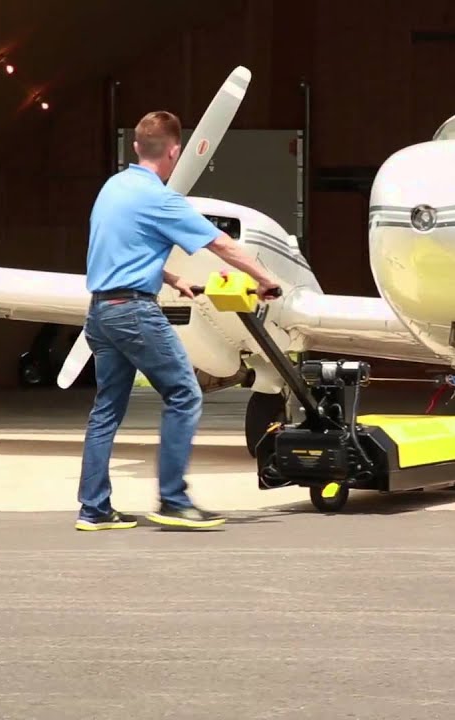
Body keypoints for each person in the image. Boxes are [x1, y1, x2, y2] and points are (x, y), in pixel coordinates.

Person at [74, 110, 280, 532]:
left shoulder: (113, 188)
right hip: (133, 311)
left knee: (106, 411)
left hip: (100, 311)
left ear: (135, 147)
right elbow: (222, 244)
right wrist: (265, 279)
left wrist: (168, 276)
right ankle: (173, 500)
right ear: (174, 151)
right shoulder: (161, 199)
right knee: (185, 394)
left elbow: (118, 246)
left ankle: (94, 509)